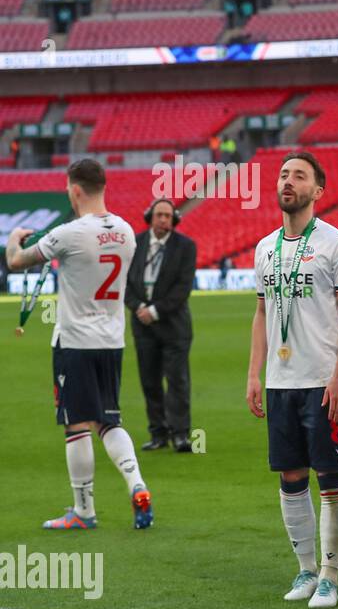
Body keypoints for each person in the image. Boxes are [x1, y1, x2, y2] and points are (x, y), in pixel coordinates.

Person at [6, 158, 154, 532]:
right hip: (112, 340)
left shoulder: (68, 233)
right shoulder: (126, 231)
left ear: (74, 190)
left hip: (74, 342)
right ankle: (137, 483)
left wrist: (14, 238)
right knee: (108, 418)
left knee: (75, 424)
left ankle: (83, 510)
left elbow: (17, 261)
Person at [245, 152, 338, 609]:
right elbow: (261, 314)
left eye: (299, 176)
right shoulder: (264, 247)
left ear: (318, 190)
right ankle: (306, 569)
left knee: (330, 476)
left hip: (323, 381)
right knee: (290, 475)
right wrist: (255, 373)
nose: (287, 182)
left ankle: (332, 574)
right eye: (283, 175)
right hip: (280, 382)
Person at [124, 197, 197, 453]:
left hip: (174, 327)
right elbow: (125, 283)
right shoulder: (134, 243)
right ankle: (158, 433)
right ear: (150, 217)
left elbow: (183, 288)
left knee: (177, 381)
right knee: (150, 381)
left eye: (168, 215)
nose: (164, 219)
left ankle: (180, 434)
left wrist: (154, 311)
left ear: (174, 219)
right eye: (159, 215)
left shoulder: (186, 247)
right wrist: (138, 307)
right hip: (142, 326)